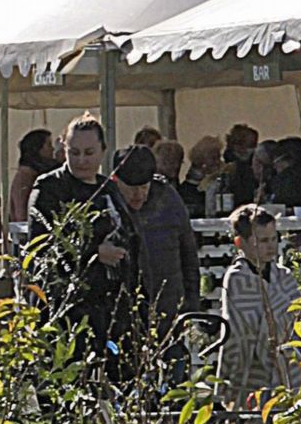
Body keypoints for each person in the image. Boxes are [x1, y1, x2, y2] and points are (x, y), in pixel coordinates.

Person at [28, 119, 146, 374]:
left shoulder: (110, 188)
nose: (82, 160)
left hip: (113, 311)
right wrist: (93, 253)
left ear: (103, 150)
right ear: (64, 149)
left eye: (89, 153)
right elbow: (42, 246)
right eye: (74, 152)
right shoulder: (49, 188)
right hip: (68, 310)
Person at [217, 204, 300, 424]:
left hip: (284, 369)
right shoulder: (237, 278)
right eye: (262, 240)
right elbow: (239, 326)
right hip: (249, 368)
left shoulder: (285, 277)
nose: (270, 246)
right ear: (241, 243)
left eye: (273, 239)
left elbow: (297, 315)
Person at [123, 151, 199, 342]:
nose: (138, 194)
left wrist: (191, 305)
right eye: (131, 188)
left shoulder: (168, 199)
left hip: (169, 312)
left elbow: (188, 254)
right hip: (124, 321)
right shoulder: (107, 203)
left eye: (143, 186)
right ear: (116, 181)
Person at [200, 124, 261, 212]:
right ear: (238, 146)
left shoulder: (249, 165)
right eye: (251, 145)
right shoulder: (230, 168)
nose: (254, 149)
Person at [9, 128, 62, 227]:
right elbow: (22, 214)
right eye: (48, 145)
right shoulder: (25, 177)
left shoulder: (33, 174)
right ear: (38, 149)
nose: (52, 149)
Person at [266, 136, 301, 211]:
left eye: (276, 160)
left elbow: (279, 203)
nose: (274, 166)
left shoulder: (283, 179)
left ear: (285, 159)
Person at [183, 135, 223, 218]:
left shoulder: (221, 183)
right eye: (213, 158)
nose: (218, 162)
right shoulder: (188, 189)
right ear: (200, 161)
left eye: (219, 157)